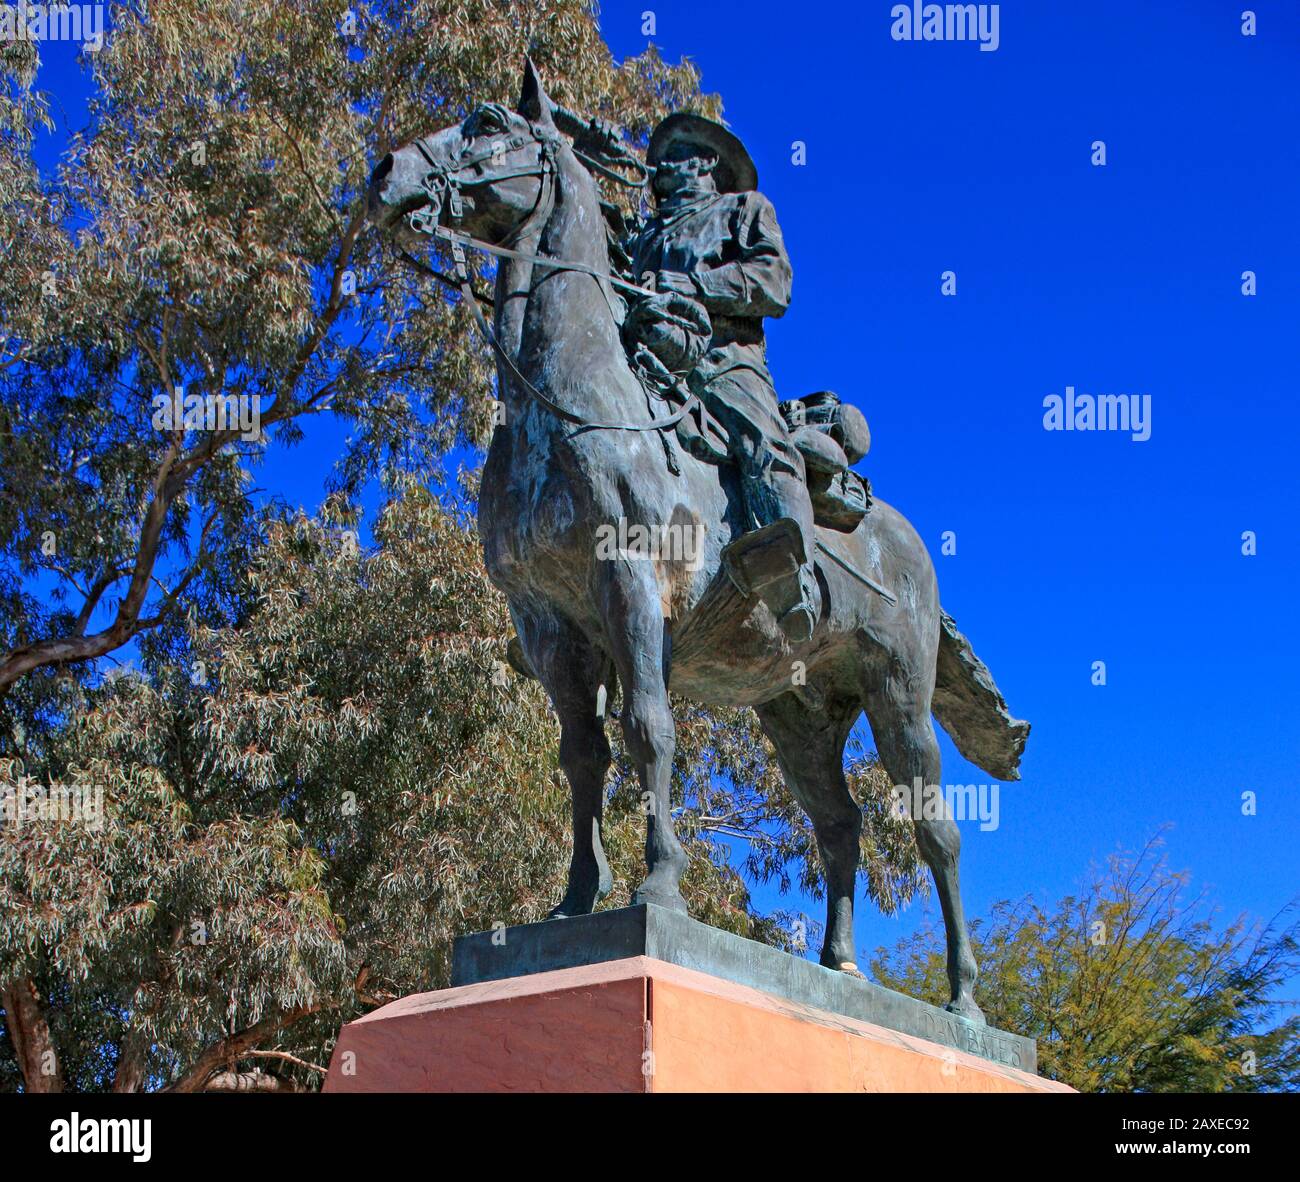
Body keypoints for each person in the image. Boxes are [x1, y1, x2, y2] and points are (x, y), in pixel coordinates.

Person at [624, 113, 820, 641]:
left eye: (675, 155)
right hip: (650, 356)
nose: (660, 167)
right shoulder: (644, 237)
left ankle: (794, 576)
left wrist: (691, 282)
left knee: (762, 441)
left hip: (722, 361)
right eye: (658, 160)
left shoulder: (743, 210)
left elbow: (773, 283)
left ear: (707, 161)